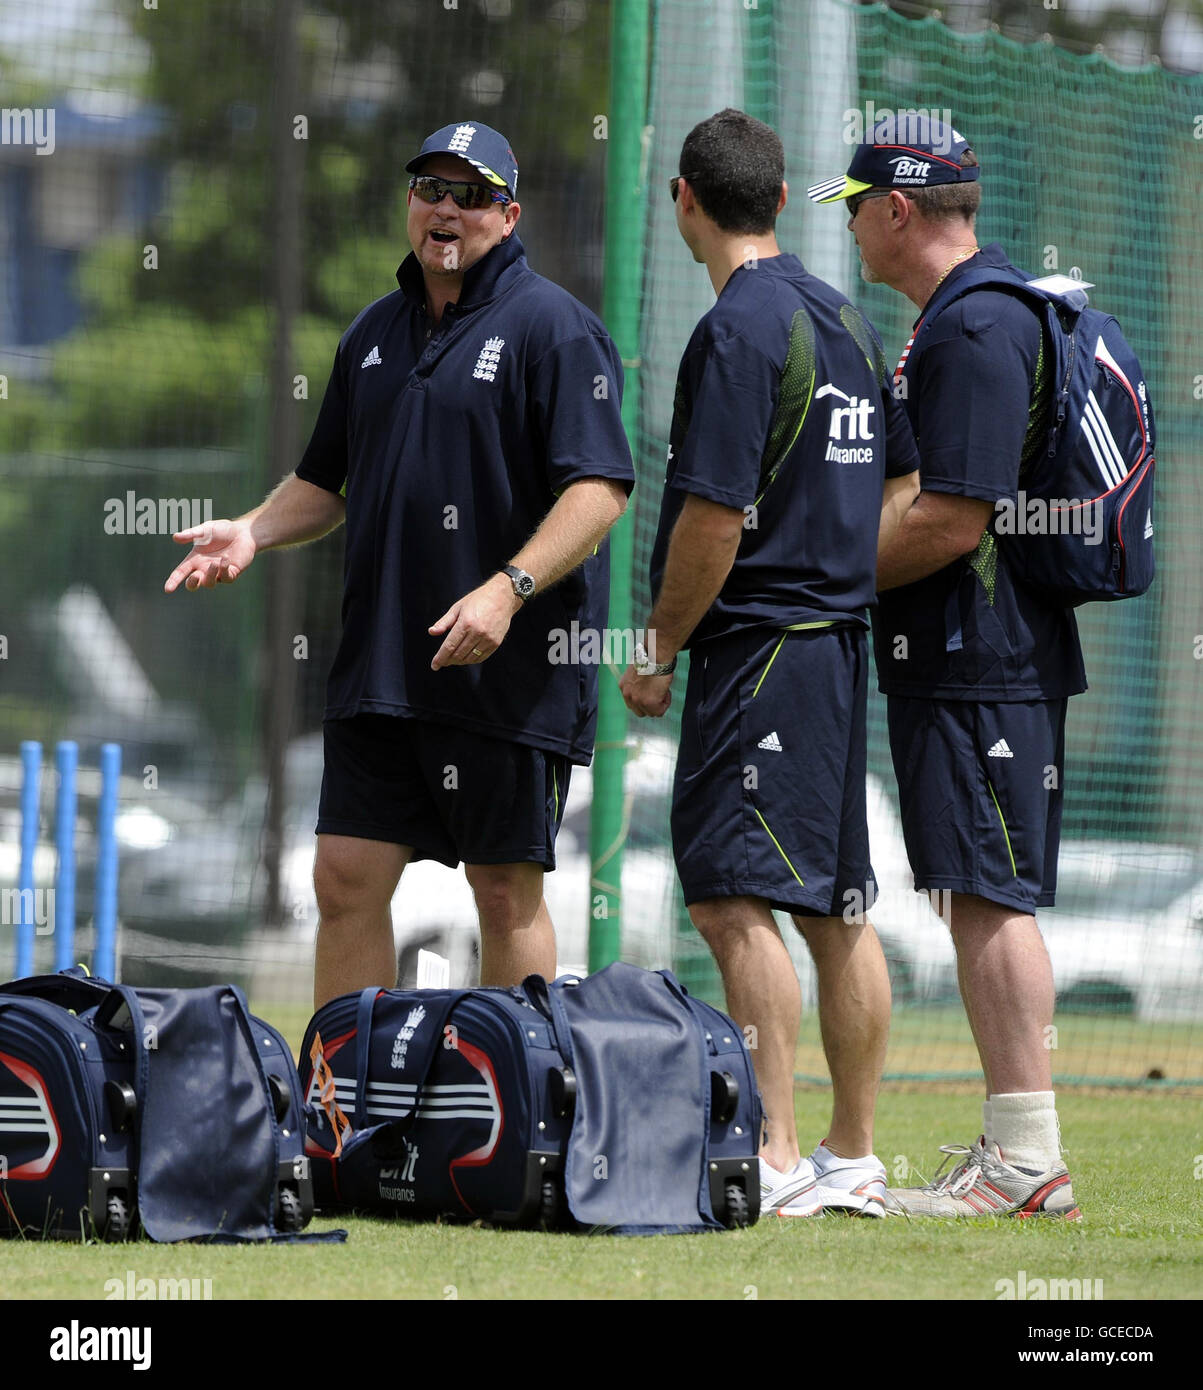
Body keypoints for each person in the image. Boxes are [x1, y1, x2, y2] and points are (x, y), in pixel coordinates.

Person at [166, 120, 634, 1008]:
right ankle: (346, 1112)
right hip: (382, 666)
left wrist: (507, 590)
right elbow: (322, 480)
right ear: (409, 204)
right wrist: (253, 531)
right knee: (342, 878)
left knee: (503, 893)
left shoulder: (557, 330)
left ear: (508, 213)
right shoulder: (372, 333)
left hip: (507, 668)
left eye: (470, 194)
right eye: (429, 189)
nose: (445, 209)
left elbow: (599, 493)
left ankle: (515, 1105)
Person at [620, 109, 920, 1217]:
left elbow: (712, 518)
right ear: (787, 203)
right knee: (837, 906)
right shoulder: (843, 319)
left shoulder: (739, 330)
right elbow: (897, 491)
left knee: (732, 896)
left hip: (762, 653)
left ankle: (781, 1154)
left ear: (684, 200)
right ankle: (852, 1152)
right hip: (839, 651)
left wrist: (656, 648)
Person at [808, 119, 1082, 1218]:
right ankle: (1014, 1152)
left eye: (857, 206)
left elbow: (953, 521)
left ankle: (1025, 1158)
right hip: (979, 660)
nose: (853, 229)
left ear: (899, 211)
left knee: (991, 898)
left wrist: (813, 577)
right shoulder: (972, 314)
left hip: (983, 659)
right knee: (978, 892)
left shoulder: (972, 328)